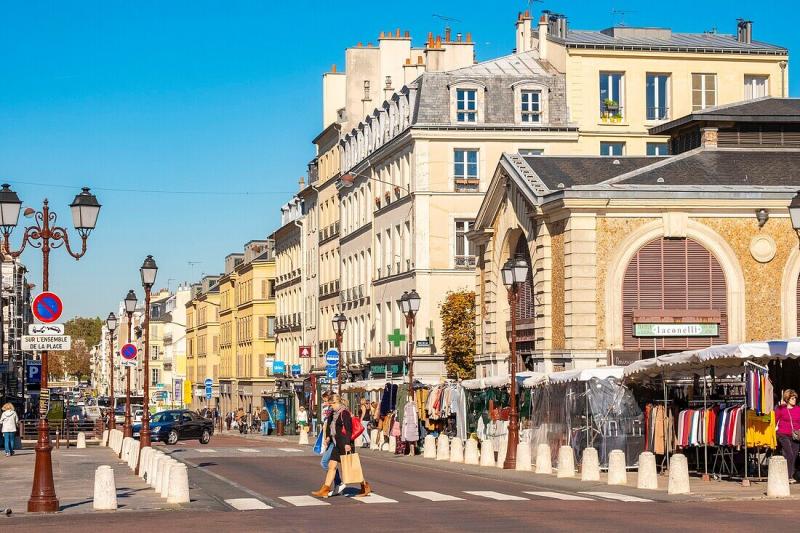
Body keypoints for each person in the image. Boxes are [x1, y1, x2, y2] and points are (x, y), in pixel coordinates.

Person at [311, 393, 371, 498]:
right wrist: (329, 437)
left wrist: (348, 443)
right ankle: (325, 489)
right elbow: (331, 428)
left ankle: (364, 486)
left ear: (336, 402)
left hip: (344, 444)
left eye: (331, 404)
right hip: (336, 443)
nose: (330, 406)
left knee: (351, 467)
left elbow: (348, 429)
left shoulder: (344, 413)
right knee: (331, 466)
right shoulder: (333, 414)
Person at [775, 389, 800, 483]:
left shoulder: (798, 409)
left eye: (795, 398)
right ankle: (789, 477)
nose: (794, 400)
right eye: (792, 398)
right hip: (783, 434)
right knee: (789, 454)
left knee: (793, 455)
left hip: (796, 436)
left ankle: (790, 475)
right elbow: (773, 420)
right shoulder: (781, 409)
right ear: (787, 399)